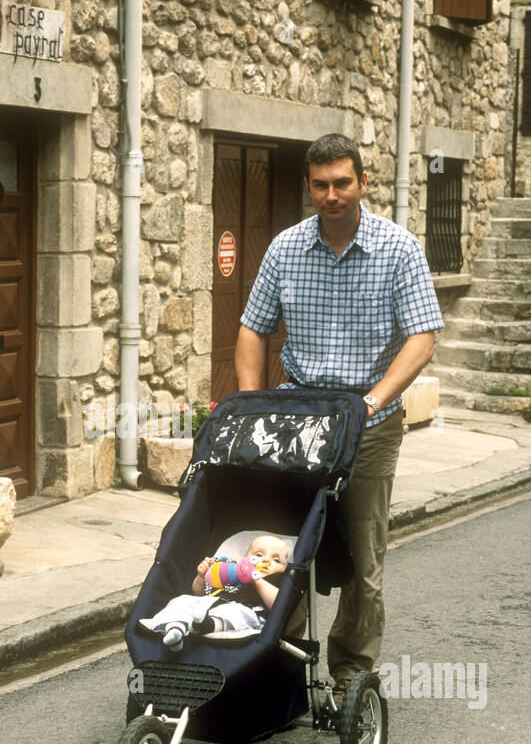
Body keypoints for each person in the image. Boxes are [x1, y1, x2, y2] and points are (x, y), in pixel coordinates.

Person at [234, 133, 443, 705]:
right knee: (282, 548)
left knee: (362, 553)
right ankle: (281, 660)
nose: (331, 195)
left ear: (362, 183)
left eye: (342, 183)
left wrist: (373, 400)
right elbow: (253, 327)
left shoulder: (399, 249)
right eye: (321, 185)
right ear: (309, 187)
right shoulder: (285, 249)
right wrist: (252, 404)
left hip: (368, 423)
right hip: (297, 423)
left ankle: (351, 674)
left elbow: (422, 337)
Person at [139, 534, 291, 652]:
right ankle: (175, 630)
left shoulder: (276, 581)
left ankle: (207, 626)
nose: (266, 561)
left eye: (276, 560)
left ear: (285, 569)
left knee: (235, 612)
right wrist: (201, 577)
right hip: (209, 606)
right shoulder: (231, 571)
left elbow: (279, 603)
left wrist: (257, 580)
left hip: (247, 614)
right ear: (244, 559)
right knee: (182, 600)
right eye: (258, 555)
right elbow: (198, 594)